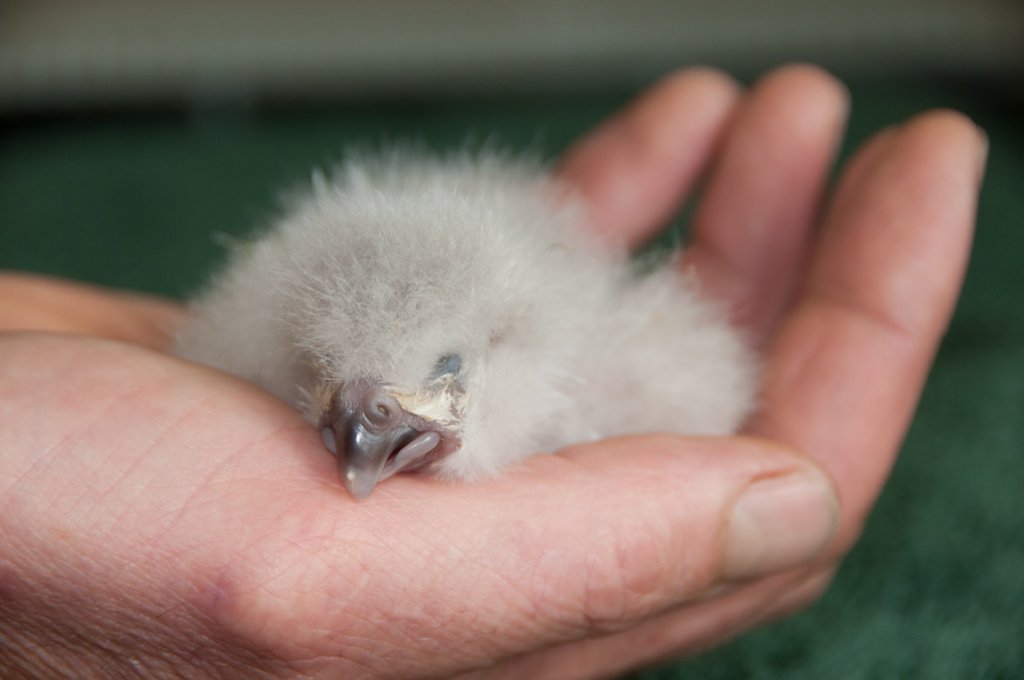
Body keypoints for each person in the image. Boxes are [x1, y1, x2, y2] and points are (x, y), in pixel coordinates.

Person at [0, 64, 985, 679]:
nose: (365, 445)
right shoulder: (258, 346)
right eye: (338, 393)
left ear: (507, 340)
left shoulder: (618, 363)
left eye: (435, 376)